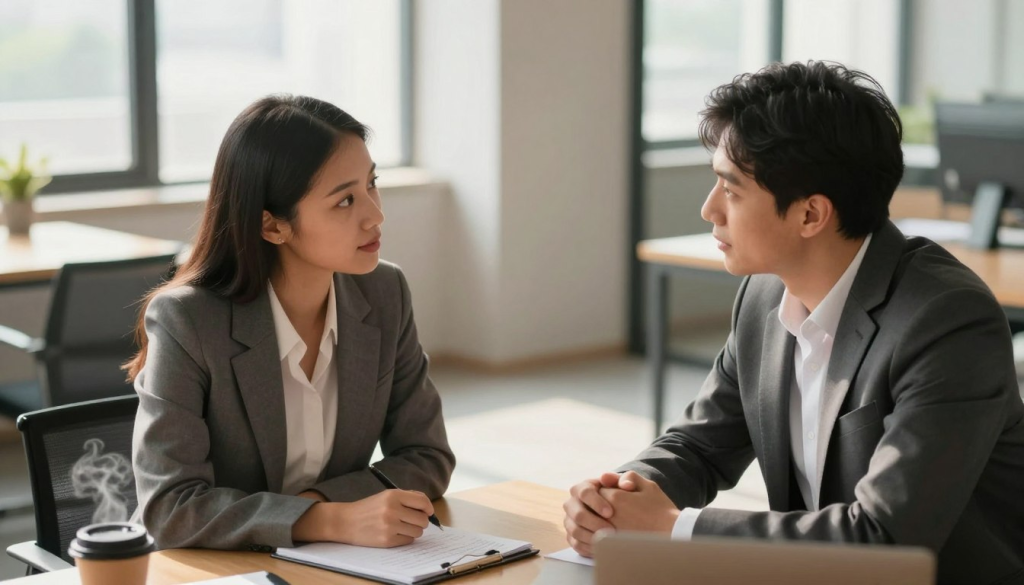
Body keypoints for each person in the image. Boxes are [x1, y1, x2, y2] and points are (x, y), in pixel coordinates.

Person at [564, 62, 1024, 584]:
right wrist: (618, 495)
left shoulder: (947, 322)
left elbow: (887, 537)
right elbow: (699, 446)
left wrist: (673, 528)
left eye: (731, 190)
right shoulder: (765, 294)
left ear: (810, 215)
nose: (708, 209)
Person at [126, 95, 455, 551]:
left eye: (372, 184)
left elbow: (427, 456)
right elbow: (170, 509)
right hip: (214, 571)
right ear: (272, 226)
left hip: (334, 564)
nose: (375, 214)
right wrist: (328, 521)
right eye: (344, 200)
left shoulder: (384, 294)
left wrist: (318, 504)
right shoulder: (189, 320)